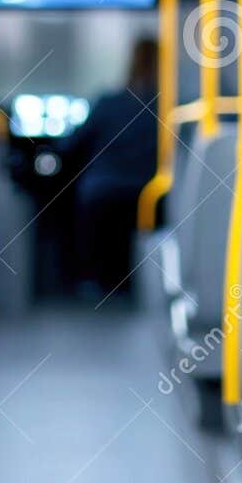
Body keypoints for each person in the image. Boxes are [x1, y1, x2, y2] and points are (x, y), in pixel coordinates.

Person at [63, 38, 160, 298]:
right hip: (149, 189)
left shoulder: (108, 103)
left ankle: (90, 280)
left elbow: (71, 144)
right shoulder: (168, 107)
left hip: (102, 189)